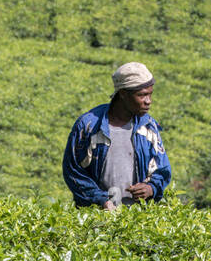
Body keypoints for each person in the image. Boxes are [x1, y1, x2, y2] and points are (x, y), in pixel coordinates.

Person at [63, 61, 171, 209]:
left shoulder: (148, 127)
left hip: (138, 218)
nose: (148, 101)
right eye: (142, 95)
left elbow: (162, 169)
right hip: (96, 215)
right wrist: (100, 200)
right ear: (123, 94)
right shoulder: (89, 126)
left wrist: (150, 188)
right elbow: (73, 171)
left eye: (150, 94)